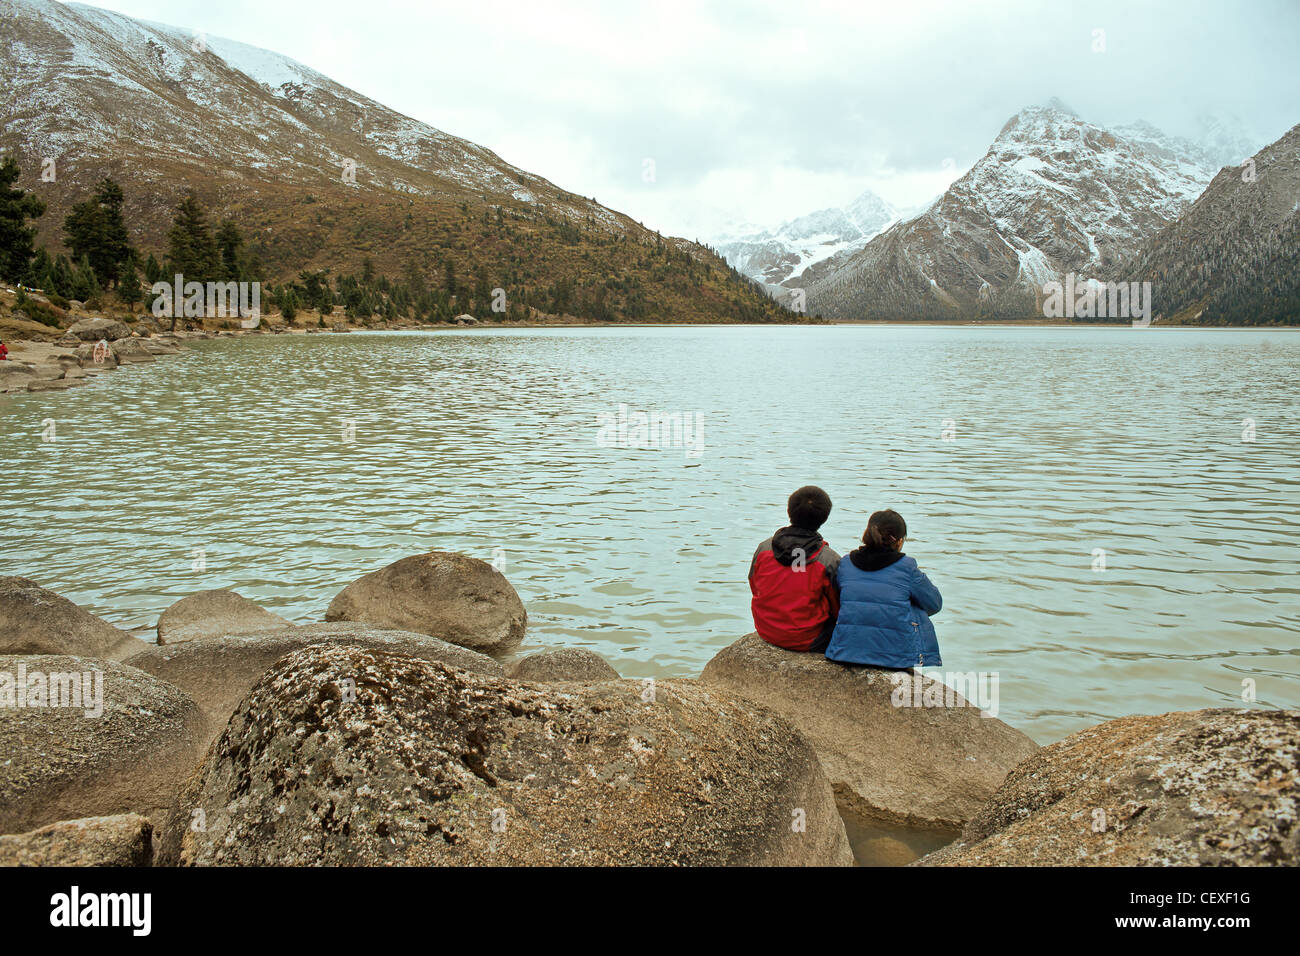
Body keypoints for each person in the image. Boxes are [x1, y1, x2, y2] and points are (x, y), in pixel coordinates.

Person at [825, 509, 943, 668]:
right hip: (895, 658)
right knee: (912, 604)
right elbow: (934, 604)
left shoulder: (846, 563)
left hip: (844, 651)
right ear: (900, 541)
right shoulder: (906, 566)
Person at [748, 485, 840, 652]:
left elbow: (754, 584)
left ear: (789, 511)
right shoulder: (828, 560)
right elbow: (838, 607)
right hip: (809, 639)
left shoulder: (764, 548)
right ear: (824, 518)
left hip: (766, 629)